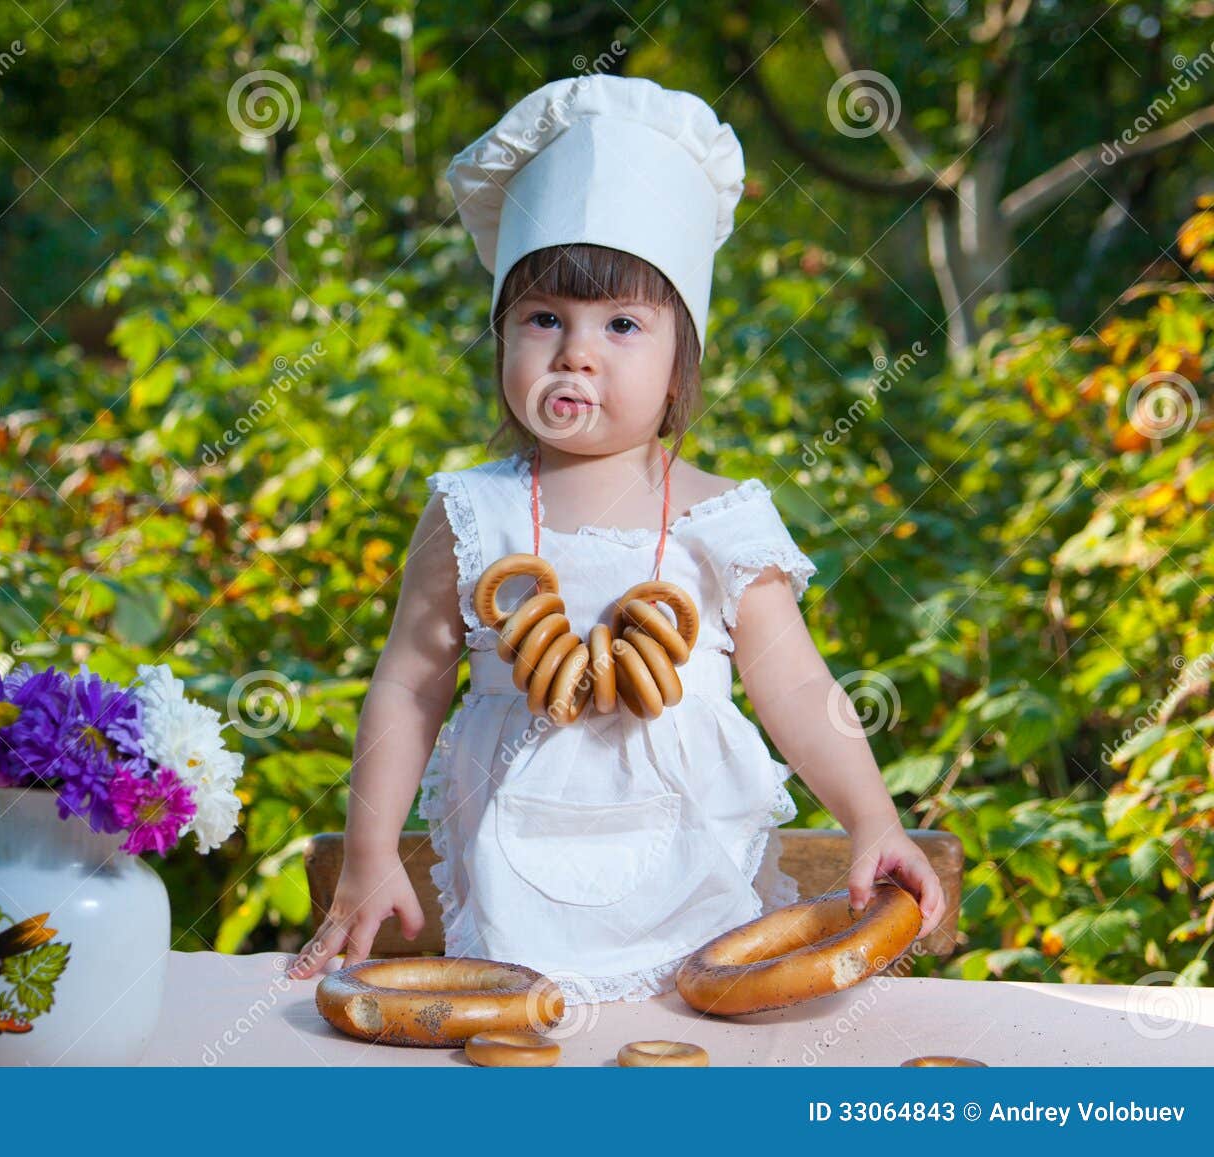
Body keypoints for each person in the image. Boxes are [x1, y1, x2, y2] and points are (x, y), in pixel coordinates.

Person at [287, 74, 945, 1004]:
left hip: (697, 885)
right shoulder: (473, 515)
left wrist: (873, 818)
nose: (575, 352)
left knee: (696, 1047)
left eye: (623, 324)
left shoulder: (721, 518)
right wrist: (369, 851)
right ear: (503, 337)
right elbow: (409, 679)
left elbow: (796, 685)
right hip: (515, 891)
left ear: (683, 360)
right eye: (543, 318)